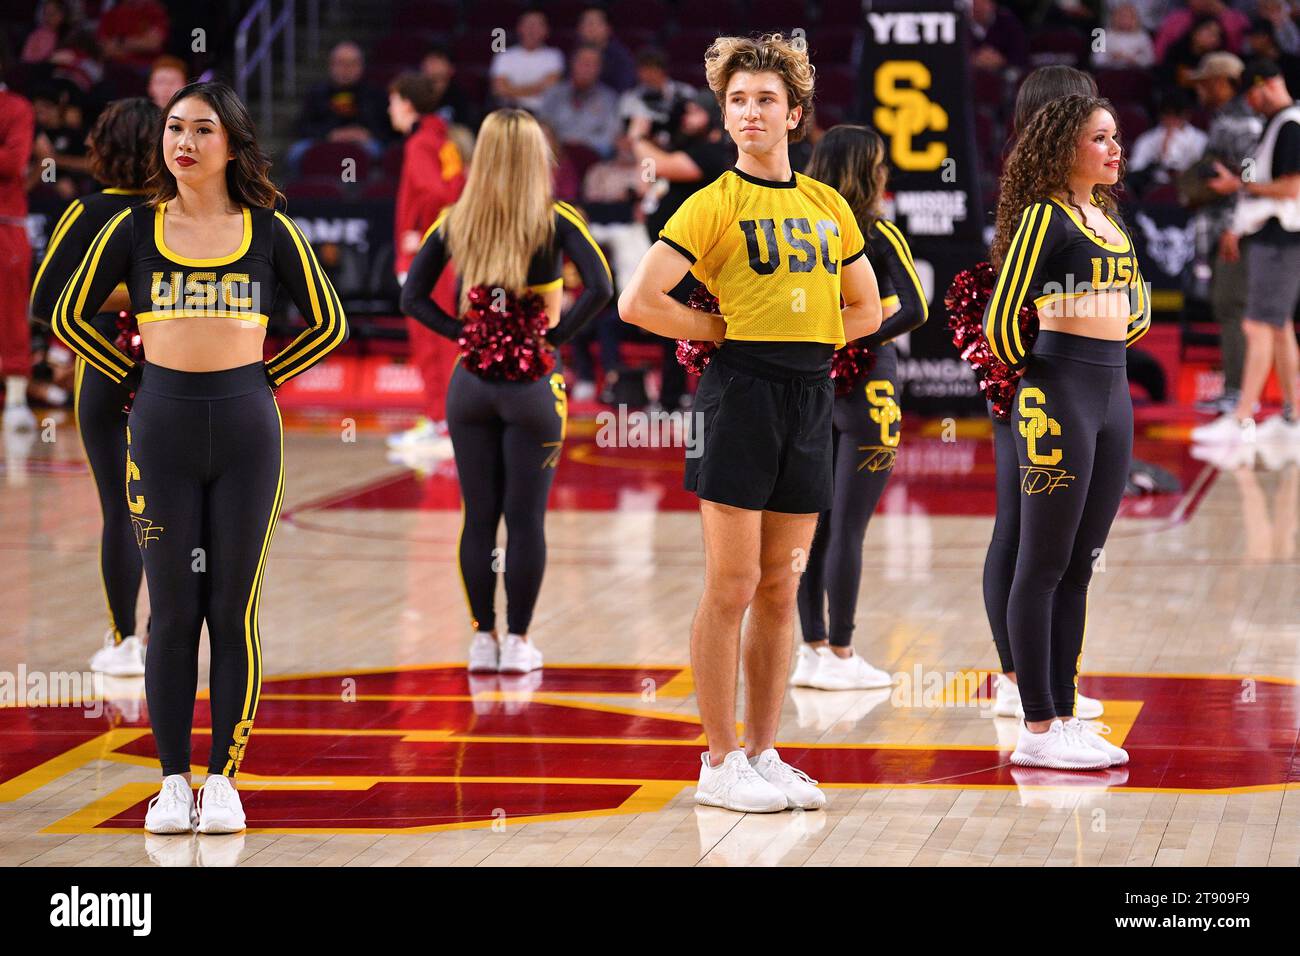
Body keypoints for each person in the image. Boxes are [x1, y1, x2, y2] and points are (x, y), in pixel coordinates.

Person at [52, 81, 348, 834]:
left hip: (248, 433)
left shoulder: (270, 230)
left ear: (232, 144)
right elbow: (66, 312)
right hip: (160, 431)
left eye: (202, 129)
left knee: (231, 608)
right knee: (174, 611)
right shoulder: (134, 226)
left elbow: (329, 322)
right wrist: (132, 379)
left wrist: (263, 381)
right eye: (174, 128)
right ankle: (172, 780)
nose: (182, 141)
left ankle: (224, 779)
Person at [619, 34, 883, 812]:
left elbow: (866, 305)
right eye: (737, 100)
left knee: (778, 587)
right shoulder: (711, 202)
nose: (750, 111)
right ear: (724, 114)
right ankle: (718, 759)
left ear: (794, 114)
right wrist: (716, 332)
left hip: (809, 400)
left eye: (766, 99)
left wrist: (807, 328)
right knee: (730, 583)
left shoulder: (828, 204)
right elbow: (641, 302)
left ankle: (765, 753)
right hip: (737, 399)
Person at [400, 109, 612, 675]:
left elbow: (412, 298)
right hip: (534, 386)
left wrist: (462, 333)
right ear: (536, 157)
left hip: (469, 383)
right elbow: (602, 287)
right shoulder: (557, 219)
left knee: (478, 517)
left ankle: (482, 640)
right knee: (525, 519)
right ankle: (518, 641)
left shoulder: (454, 221)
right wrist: (555, 338)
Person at [984, 93, 1150, 770]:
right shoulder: (1042, 220)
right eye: (1100, 139)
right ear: (1064, 148)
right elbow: (1001, 322)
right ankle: (1037, 724)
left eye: (1115, 137)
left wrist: (1108, 335)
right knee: (1043, 562)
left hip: (1113, 392)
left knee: (1081, 564)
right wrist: (1047, 375)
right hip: (1059, 391)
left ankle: (1066, 710)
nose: (1114, 150)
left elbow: (1136, 309)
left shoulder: (1107, 219)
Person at [977, 67, 1109, 723]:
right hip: (1034, 374)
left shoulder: (1089, 196)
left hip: (1081, 371)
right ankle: (1016, 678)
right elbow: (1002, 301)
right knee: (1019, 530)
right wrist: (1028, 366)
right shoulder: (1028, 196)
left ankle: (1055, 683)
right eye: (1082, 111)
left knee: (1057, 544)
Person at [792, 124, 928, 690]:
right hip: (869, 386)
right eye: (880, 164)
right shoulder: (877, 230)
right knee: (848, 527)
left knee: (808, 526)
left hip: (812, 383)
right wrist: (861, 338)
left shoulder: (802, 227)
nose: (886, 174)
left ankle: (811, 649)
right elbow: (916, 309)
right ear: (866, 171)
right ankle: (843, 654)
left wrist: (827, 339)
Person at [30, 97, 160, 676]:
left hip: (103, 373)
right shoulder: (180, 211)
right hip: (172, 375)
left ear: (102, 148)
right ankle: (164, 639)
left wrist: (108, 338)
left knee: (120, 510)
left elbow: (44, 301)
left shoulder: (86, 212)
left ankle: (125, 641)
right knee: (173, 513)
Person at [1195, 58, 1300, 445]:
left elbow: (1291, 189)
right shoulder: (1280, 123)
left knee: (1257, 325)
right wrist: (1238, 220)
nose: (1251, 103)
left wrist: (1237, 185)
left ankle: (1241, 418)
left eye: (1253, 93)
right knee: (1279, 326)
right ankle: (1293, 418)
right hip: (1272, 235)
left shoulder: (1290, 124)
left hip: (1280, 236)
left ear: (1268, 84)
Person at [632, 89, 735, 412]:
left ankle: (687, 399)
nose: (687, 118)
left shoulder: (711, 152)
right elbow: (647, 176)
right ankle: (672, 399)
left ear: (713, 119)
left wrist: (637, 137)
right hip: (677, 258)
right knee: (672, 326)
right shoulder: (687, 147)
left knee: (687, 327)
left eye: (695, 113)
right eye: (686, 112)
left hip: (698, 261)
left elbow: (658, 164)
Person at [386, 72, 466, 458]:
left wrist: (420, 228)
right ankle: (443, 420)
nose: (389, 109)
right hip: (443, 251)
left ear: (406, 102)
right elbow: (457, 185)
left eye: (393, 101)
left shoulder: (420, 143)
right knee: (441, 337)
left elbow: (434, 191)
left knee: (429, 341)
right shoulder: (442, 138)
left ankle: (441, 423)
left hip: (424, 254)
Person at [1185, 52, 1262, 415]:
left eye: (1205, 81)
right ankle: (1237, 390)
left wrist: (1235, 225)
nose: (1200, 88)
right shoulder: (1226, 118)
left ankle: (1240, 393)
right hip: (1225, 227)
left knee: (1233, 306)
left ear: (1223, 82)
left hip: (1237, 230)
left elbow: (1256, 179)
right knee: (1226, 305)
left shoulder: (1243, 123)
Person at [286, 41, 389, 173]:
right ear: (331, 65)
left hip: (365, 141)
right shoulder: (316, 92)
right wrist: (330, 134)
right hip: (324, 139)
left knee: (377, 150)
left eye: (352, 63)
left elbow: (387, 128)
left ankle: (365, 190)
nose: (346, 68)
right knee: (296, 152)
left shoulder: (375, 94)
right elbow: (303, 126)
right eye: (341, 63)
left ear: (361, 66)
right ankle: (301, 190)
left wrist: (366, 134)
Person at [0, 55, 36, 435]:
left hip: (5, 223)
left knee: (11, 313)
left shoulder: (16, 107)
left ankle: (15, 399)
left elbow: (12, 163)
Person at [537, 46, 621, 159]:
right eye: (583, 62)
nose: (586, 67)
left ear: (599, 69)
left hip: (592, 155)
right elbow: (542, 126)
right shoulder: (554, 93)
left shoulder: (609, 98)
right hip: (556, 153)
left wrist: (582, 143)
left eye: (592, 64)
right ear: (573, 64)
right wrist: (561, 143)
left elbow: (611, 135)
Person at [489, 8, 564, 113]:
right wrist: (535, 89)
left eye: (537, 25)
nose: (532, 29)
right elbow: (499, 89)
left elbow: (551, 87)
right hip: (509, 112)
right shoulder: (504, 56)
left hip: (543, 113)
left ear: (546, 30)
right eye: (528, 24)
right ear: (519, 28)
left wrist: (512, 90)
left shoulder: (554, 55)